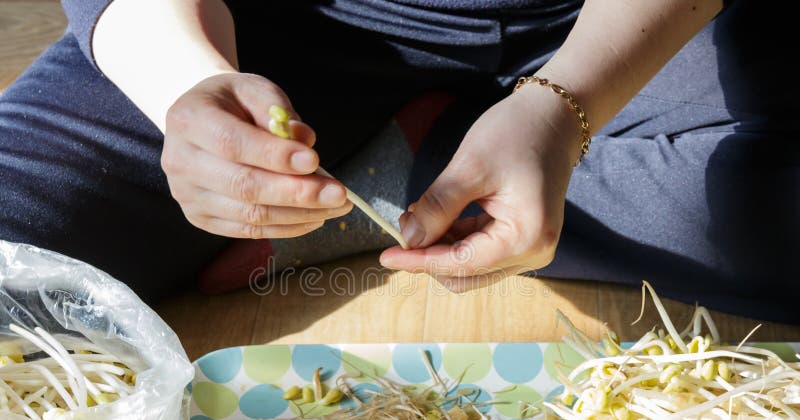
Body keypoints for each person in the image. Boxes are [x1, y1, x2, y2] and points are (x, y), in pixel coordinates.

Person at [0, 0, 797, 323]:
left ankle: (404, 176)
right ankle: (417, 185)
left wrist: (561, 108)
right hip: (277, 27)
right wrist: (190, 86)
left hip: (632, 27)